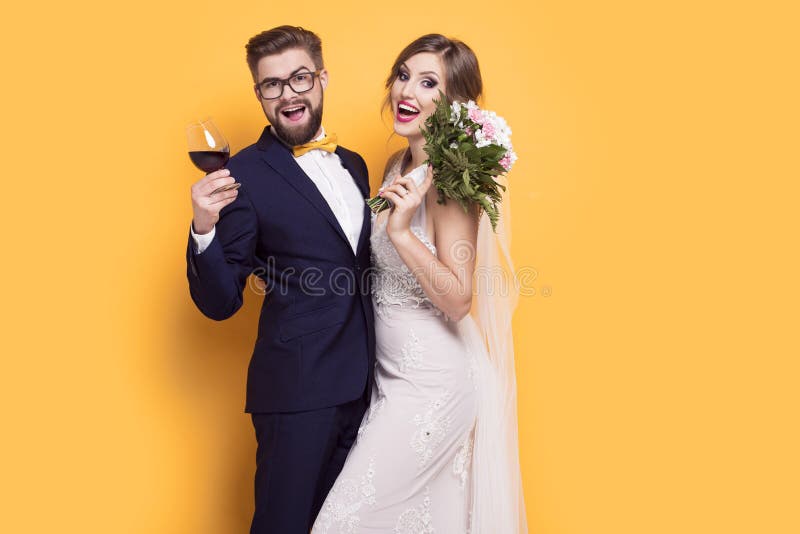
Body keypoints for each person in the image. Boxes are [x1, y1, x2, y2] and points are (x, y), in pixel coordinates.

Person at [311, 34, 528, 533]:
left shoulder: (448, 182)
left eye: (428, 82)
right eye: (404, 75)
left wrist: (400, 231)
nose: (406, 90)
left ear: (453, 105)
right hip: (391, 384)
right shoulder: (398, 165)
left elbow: (458, 298)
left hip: (433, 386)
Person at [185, 26, 375, 534]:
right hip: (297, 389)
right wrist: (204, 226)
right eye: (272, 85)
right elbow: (221, 300)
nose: (288, 94)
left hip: (368, 383)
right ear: (259, 95)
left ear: (322, 78)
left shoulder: (354, 165)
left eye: (299, 78)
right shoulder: (244, 174)